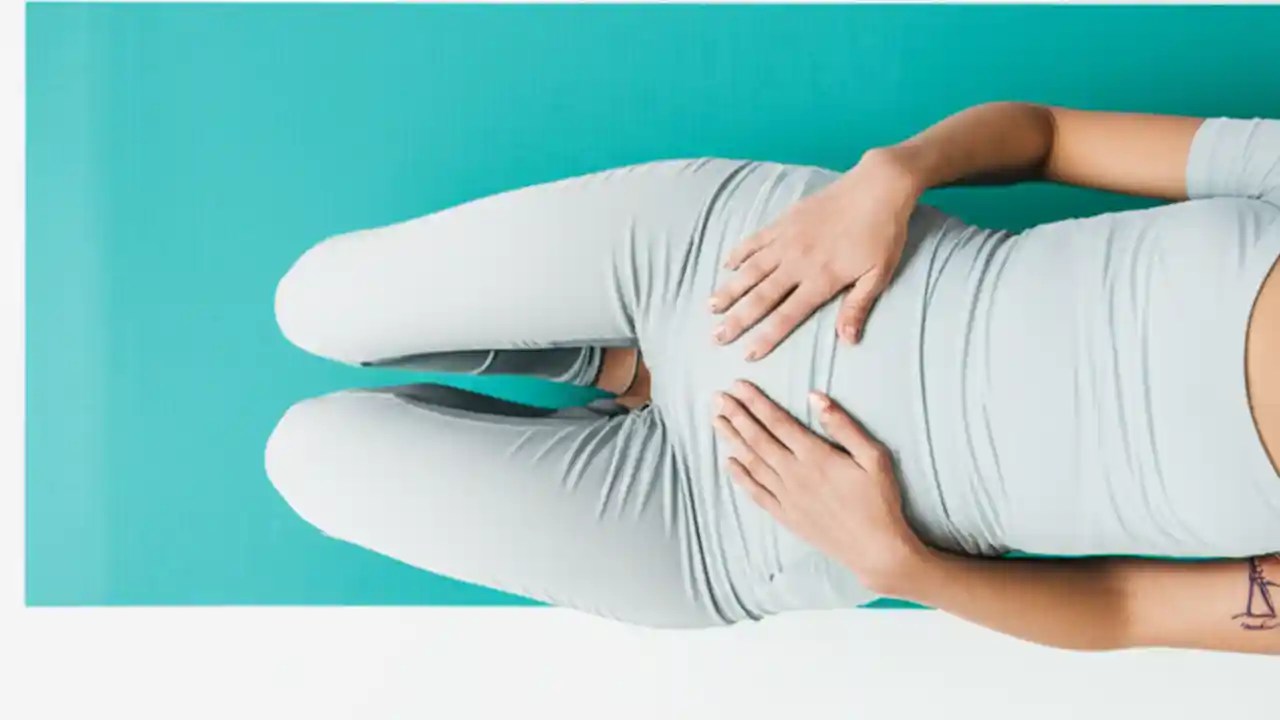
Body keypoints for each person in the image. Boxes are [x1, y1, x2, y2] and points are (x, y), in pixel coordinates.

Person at [264, 102, 1280, 654]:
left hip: (739, 530)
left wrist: (903, 571)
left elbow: (1125, 609)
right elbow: (1046, 134)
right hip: (719, 261)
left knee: (310, 459)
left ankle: (612, 370)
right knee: (312, 301)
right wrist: (895, 174)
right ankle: (612, 361)